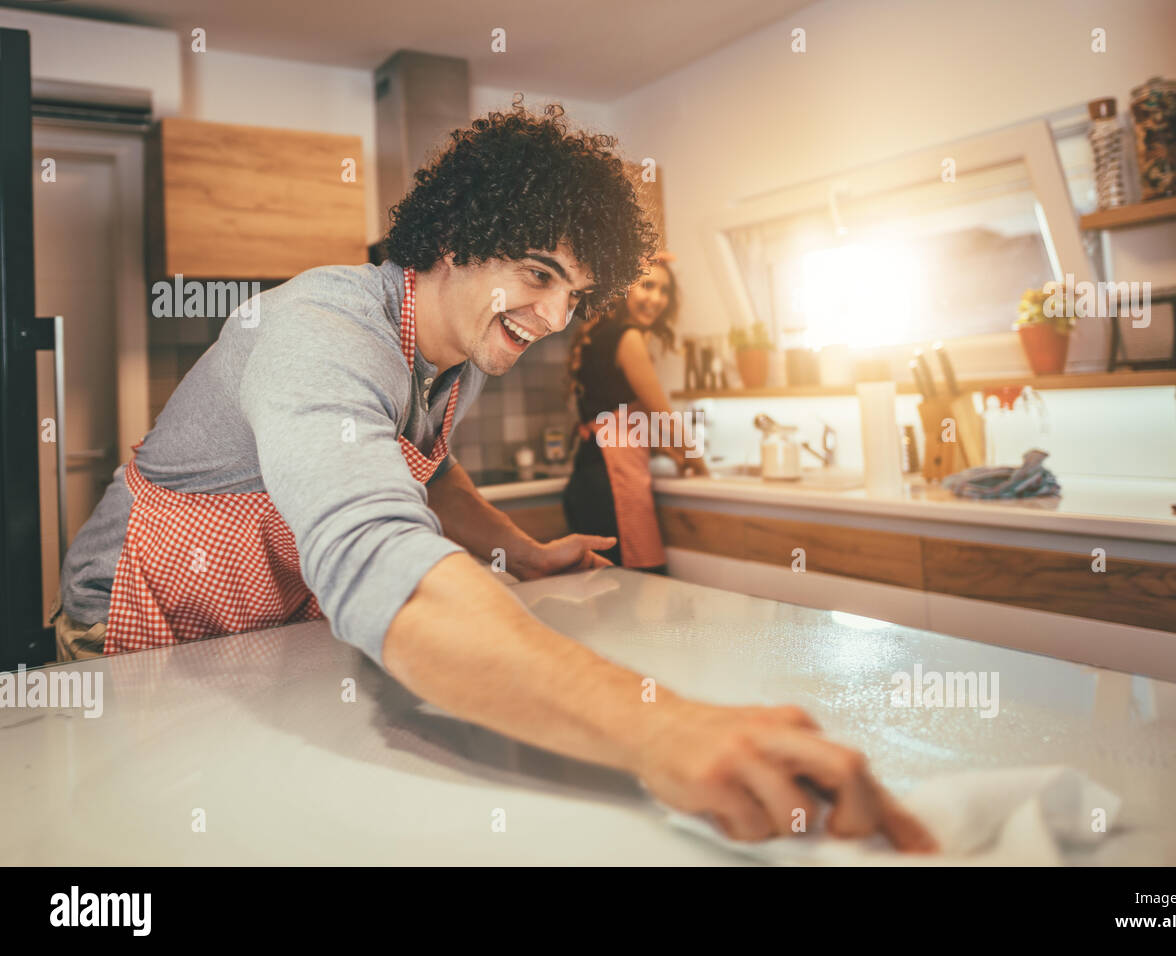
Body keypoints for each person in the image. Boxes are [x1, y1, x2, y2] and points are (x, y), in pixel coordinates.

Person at [52, 100, 935, 849]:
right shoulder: (319, 326)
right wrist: (662, 726)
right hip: (139, 626)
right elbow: (375, 557)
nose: (553, 317)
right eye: (538, 274)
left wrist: (528, 551)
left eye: (575, 295)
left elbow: (429, 477)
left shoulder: (458, 355)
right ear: (454, 239)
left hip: (262, 628)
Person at [564, 253, 706, 574]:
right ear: (625, 288)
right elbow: (663, 416)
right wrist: (700, 463)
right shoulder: (628, 338)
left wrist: (670, 452)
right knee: (640, 588)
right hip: (611, 483)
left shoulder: (601, 335)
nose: (656, 299)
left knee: (613, 600)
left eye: (664, 291)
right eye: (647, 286)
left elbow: (619, 418)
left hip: (590, 478)